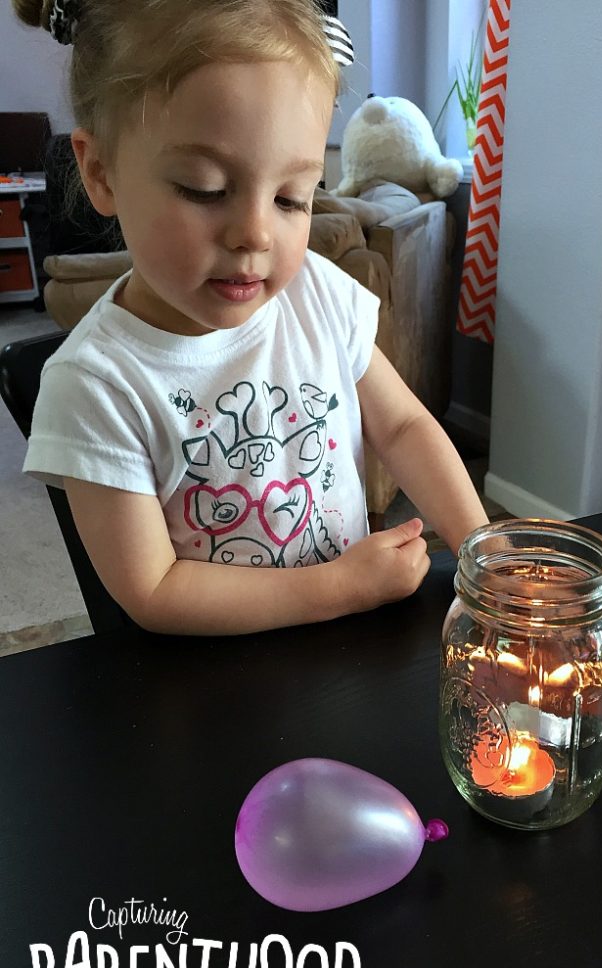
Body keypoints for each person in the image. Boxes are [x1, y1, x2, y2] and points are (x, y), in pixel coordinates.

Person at [17, 0, 488, 635]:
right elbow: (154, 590)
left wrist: (482, 554)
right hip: (217, 677)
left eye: (293, 198)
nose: (255, 234)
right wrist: (341, 586)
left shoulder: (316, 294)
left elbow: (402, 426)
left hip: (348, 649)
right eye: (205, 189)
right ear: (101, 172)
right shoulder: (95, 385)